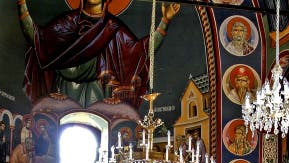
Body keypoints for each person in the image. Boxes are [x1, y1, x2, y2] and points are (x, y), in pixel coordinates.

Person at [17, 0, 181, 109]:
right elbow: (37, 39)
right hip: (64, 90)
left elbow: (143, 50)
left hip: (98, 94)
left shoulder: (112, 28)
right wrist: (22, 4)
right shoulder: (67, 22)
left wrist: (164, 21)